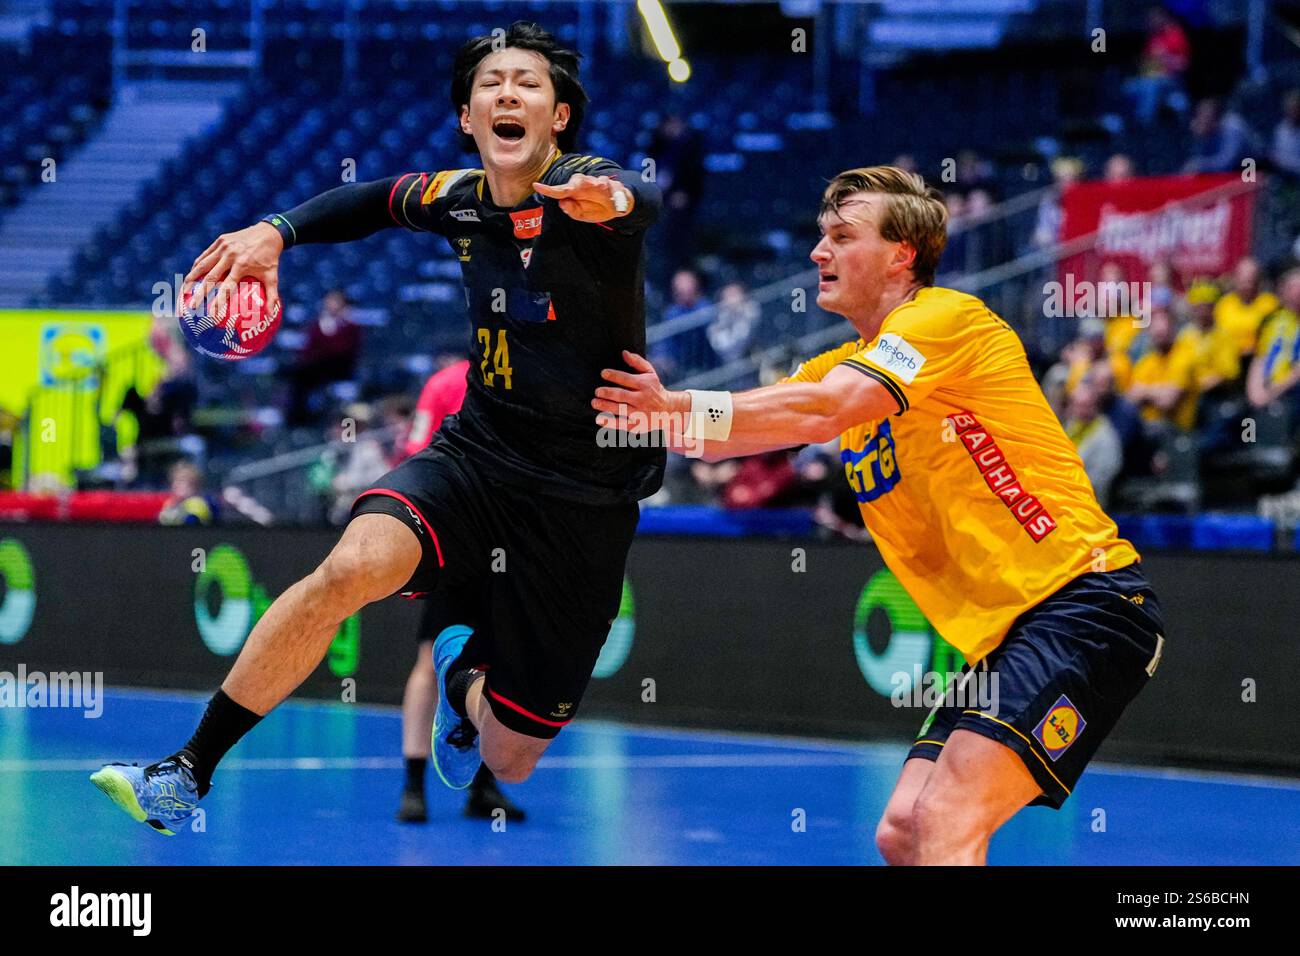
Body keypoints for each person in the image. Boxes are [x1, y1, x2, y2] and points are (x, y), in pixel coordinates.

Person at [91, 21, 663, 837]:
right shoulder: (457, 200)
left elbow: (642, 199)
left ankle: (465, 679)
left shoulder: (584, 188)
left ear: (559, 117)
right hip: (480, 455)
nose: (508, 93)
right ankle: (187, 770)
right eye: (490, 83)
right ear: (467, 117)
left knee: (510, 755)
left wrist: (615, 198)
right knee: (349, 569)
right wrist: (275, 231)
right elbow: (367, 202)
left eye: (529, 84)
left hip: (588, 492)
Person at [594, 166, 1165, 865]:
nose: (817, 253)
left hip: (1084, 601)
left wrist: (675, 408)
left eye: (841, 236)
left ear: (902, 255)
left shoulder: (945, 320)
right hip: (1005, 635)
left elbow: (825, 409)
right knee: (902, 831)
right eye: (819, 236)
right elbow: (752, 425)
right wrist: (644, 418)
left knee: (947, 815)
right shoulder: (846, 365)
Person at [396, 357, 524, 824]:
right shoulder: (445, 384)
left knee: (502, 662)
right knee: (431, 660)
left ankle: (483, 787)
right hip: (458, 543)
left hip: (512, 546)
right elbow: (419, 456)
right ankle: (414, 784)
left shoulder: (528, 374)